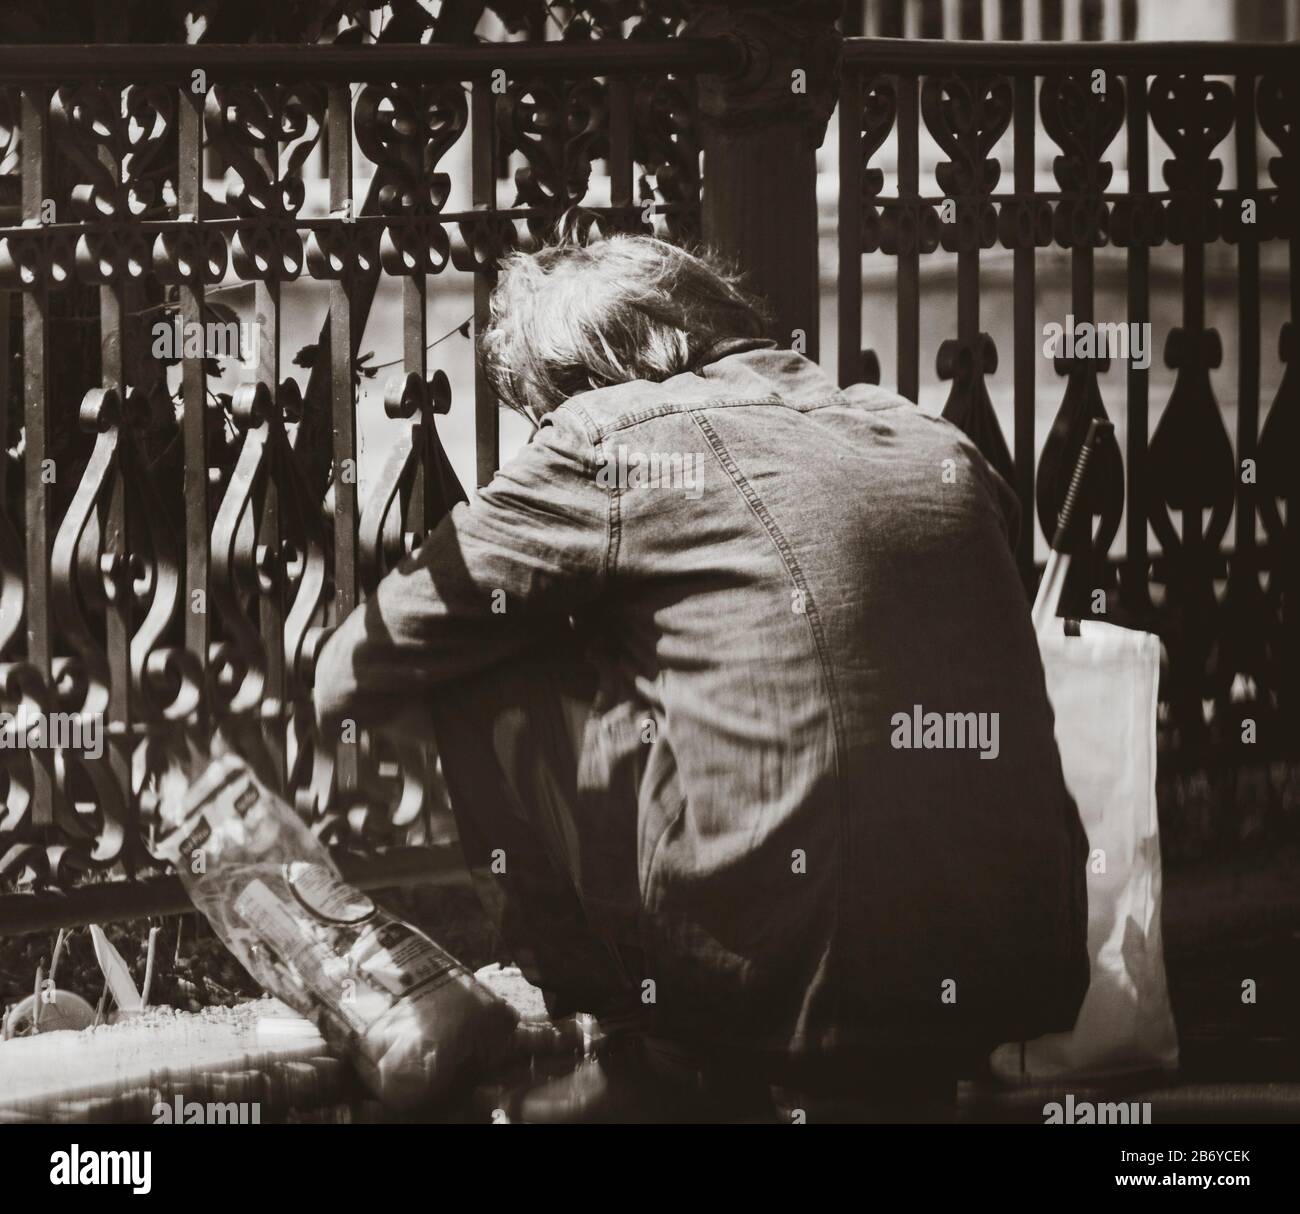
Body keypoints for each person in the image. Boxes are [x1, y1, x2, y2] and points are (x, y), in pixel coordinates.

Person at [313, 233, 1089, 1121]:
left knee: (472, 659)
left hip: (786, 971)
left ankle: (644, 1049)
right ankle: (893, 1056)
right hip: (1019, 961)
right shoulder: (924, 431)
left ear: (575, 375)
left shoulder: (609, 432)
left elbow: (360, 663)